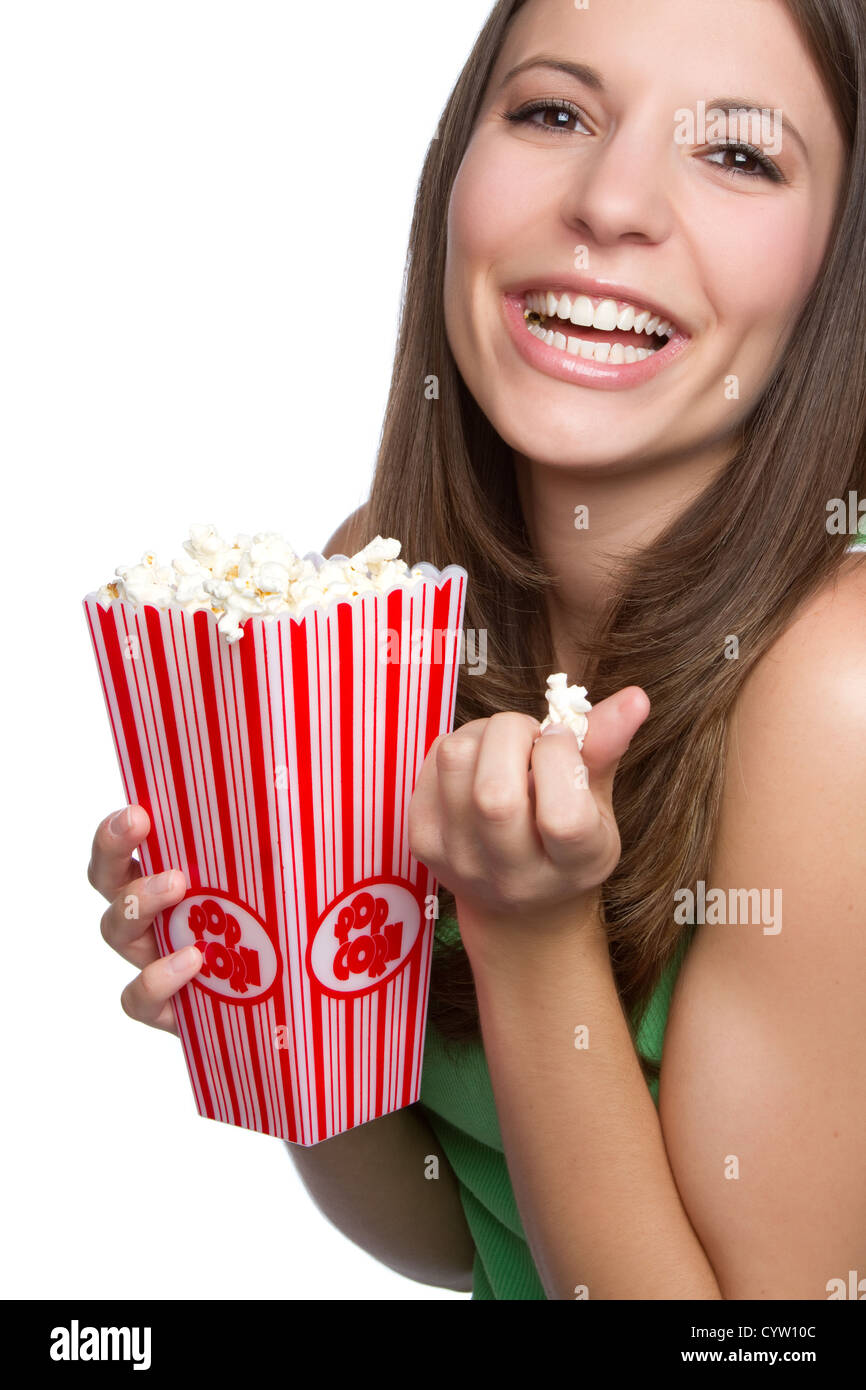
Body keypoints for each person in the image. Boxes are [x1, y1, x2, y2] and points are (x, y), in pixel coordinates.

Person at [87, 0, 866, 1299]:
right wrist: (274, 988)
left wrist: (529, 929)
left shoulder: (835, 694)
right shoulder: (379, 582)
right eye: (552, 112)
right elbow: (459, 1237)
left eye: (735, 153)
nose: (611, 201)